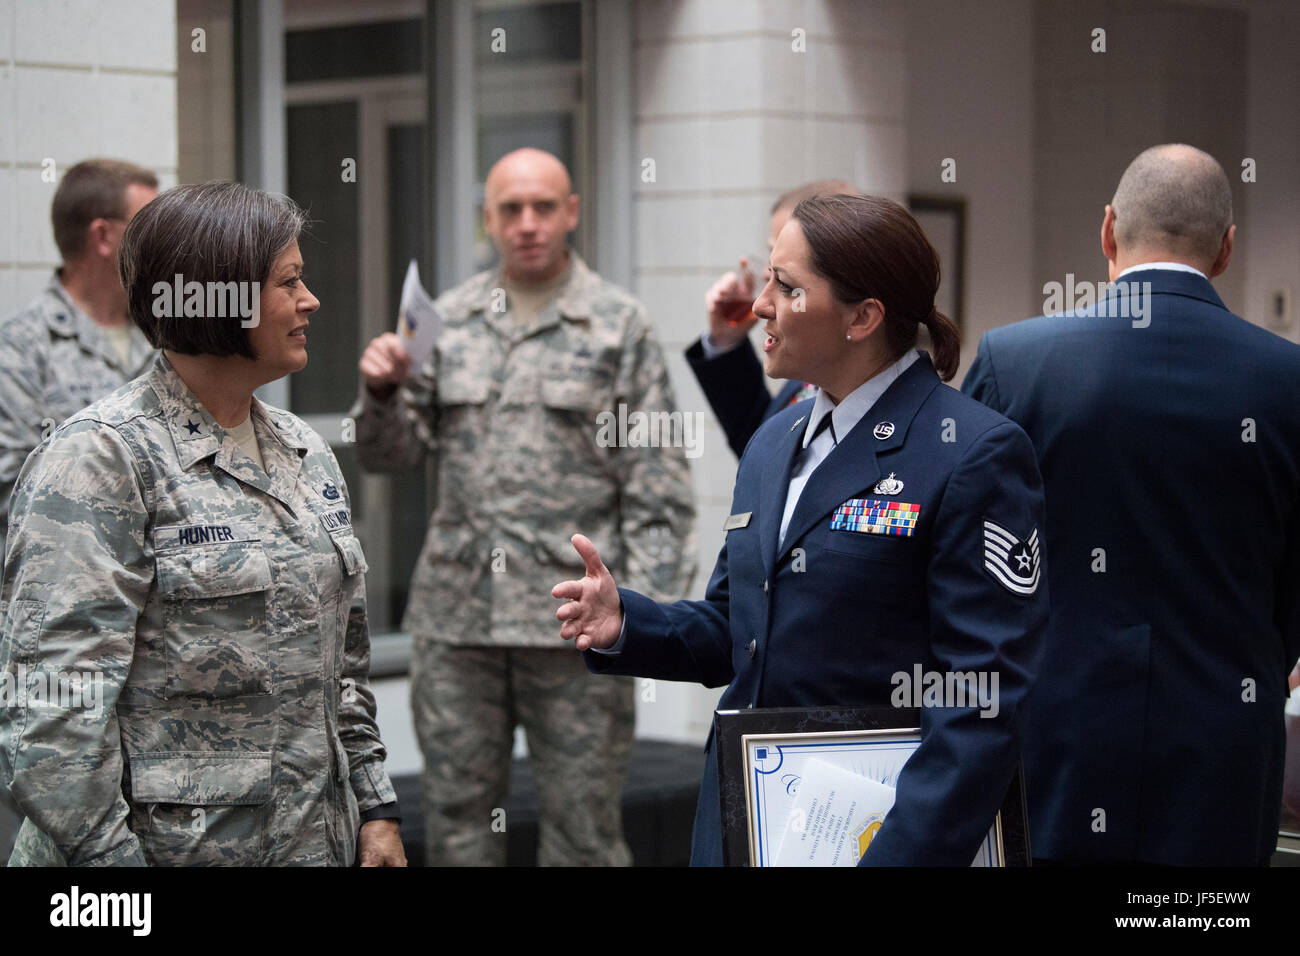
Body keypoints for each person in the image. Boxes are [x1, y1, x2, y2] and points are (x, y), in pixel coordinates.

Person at [555, 194, 1049, 866]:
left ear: (863, 316)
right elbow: (741, 631)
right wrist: (628, 625)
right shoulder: (774, 440)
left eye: (786, 288)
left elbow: (981, 699)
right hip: (749, 821)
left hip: (885, 838)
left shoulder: (971, 451)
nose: (759, 305)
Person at [0, 181, 404, 866]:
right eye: (289, 283)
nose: (310, 301)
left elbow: (343, 672)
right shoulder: (101, 460)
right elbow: (52, 718)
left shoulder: (306, 454)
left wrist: (375, 810)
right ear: (217, 298)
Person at [353, 147, 695, 866]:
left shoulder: (617, 324)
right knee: (456, 825)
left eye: (545, 207)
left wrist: (647, 621)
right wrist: (380, 395)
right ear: (489, 219)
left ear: (572, 212)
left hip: (573, 623)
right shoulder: (448, 319)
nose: (528, 224)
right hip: (459, 618)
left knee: (584, 830)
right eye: (511, 209)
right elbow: (391, 456)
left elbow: (657, 485)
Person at [963, 143, 1300, 866]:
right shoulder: (1288, 379)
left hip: (1054, 728)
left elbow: (961, 554)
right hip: (1225, 738)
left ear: (1108, 230)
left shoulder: (1015, 362)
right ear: (1227, 250)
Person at [0, 159, 159, 565]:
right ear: (103, 236)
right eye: (147, 229)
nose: (162, 243)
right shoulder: (21, 348)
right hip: (64, 592)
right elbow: (13, 489)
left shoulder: (167, 336)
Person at [685, 180, 860, 457]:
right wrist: (727, 340)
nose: (767, 275)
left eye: (785, 261)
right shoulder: (808, 370)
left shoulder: (872, 389)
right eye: (770, 255)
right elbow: (762, 453)